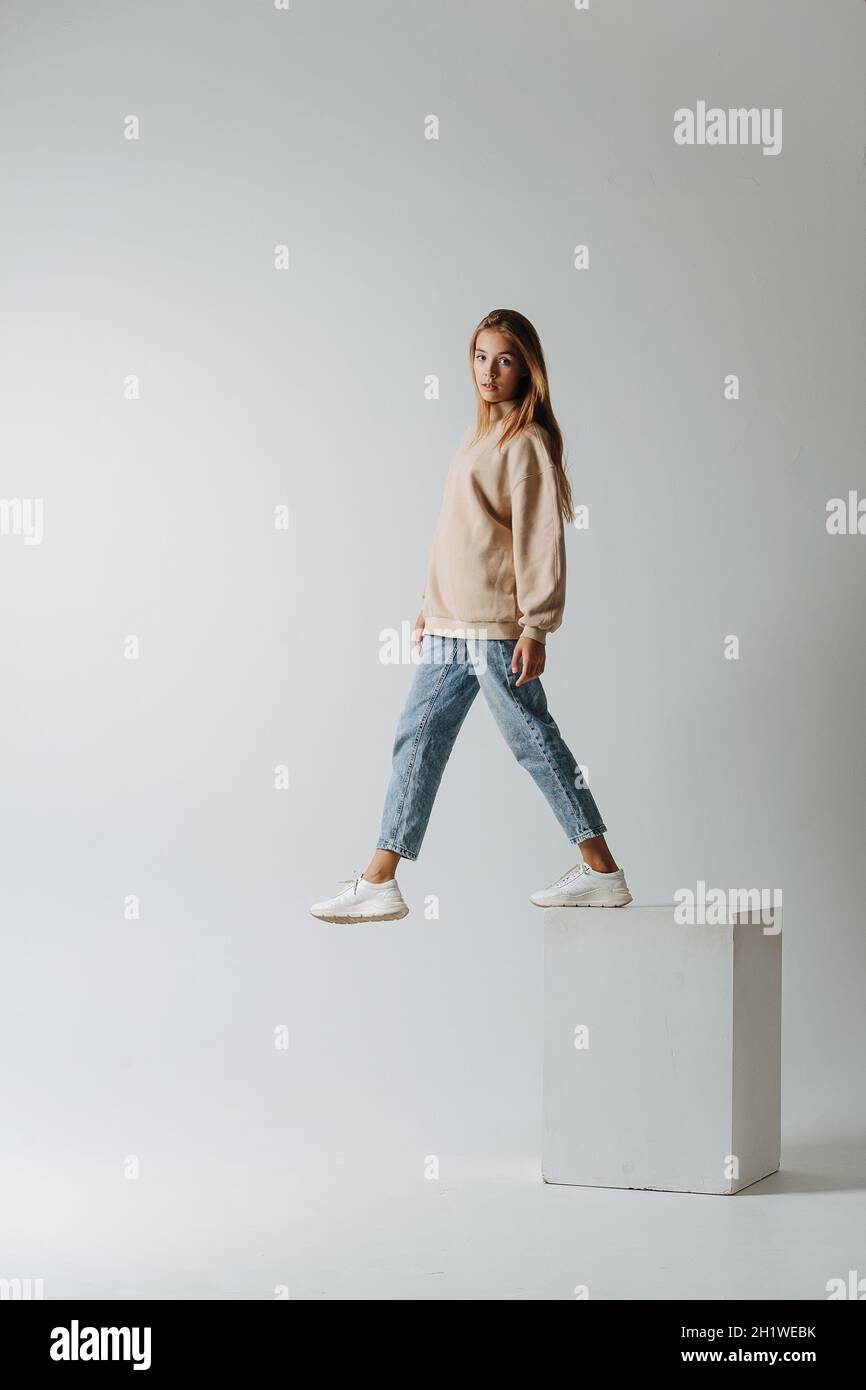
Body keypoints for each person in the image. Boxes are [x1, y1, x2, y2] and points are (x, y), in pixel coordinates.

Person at [310, 308, 632, 923]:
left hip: (494, 631)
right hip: (451, 626)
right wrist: (430, 605)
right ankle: (381, 878)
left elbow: (540, 539)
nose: (490, 371)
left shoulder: (525, 442)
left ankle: (602, 870)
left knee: (534, 742)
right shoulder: (475, 435)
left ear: (526, 368)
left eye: (504, 359)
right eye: (482, 357)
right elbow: (452, 533)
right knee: (417, 739)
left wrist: (536, 626)